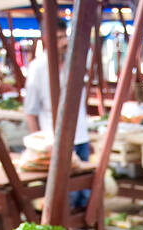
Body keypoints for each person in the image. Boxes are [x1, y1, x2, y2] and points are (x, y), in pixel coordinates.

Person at [23, 35, 92, 210]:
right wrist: (38, 144)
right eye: (59, 37)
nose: (65, 42)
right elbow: (30, 111)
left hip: (80, 137)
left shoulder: (74, 63)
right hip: (54, 142)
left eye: (66, 37)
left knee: (83, 192)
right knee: (64, 195)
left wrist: (87, 135)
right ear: (47, 38)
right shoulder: (38, 68)